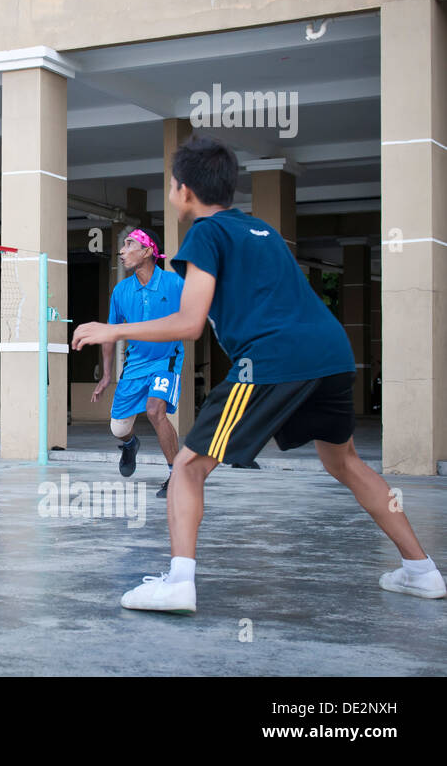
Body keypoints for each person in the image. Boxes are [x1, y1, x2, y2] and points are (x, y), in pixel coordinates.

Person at [72, 137, 444, 612]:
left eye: (170, 184)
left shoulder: (205, 235)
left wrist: (112, 328)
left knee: (188, 465)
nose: (170, 192)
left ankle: (179, 582)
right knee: (344, 461)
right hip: (331, 352)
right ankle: (422, 570)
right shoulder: (260, 229)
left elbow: (188, 323)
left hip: (274, 359)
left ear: (184, 191)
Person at [92, 227, 184, 497]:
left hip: (166, 360)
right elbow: (110, 334)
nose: (121, 251)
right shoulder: (121, 291)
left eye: (129, 244)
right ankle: (130, 444)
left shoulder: (175, 284)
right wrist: (107, 374)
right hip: (135, 365)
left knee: (156, 411)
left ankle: (176, 476)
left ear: (147, 251)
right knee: (118, 428)